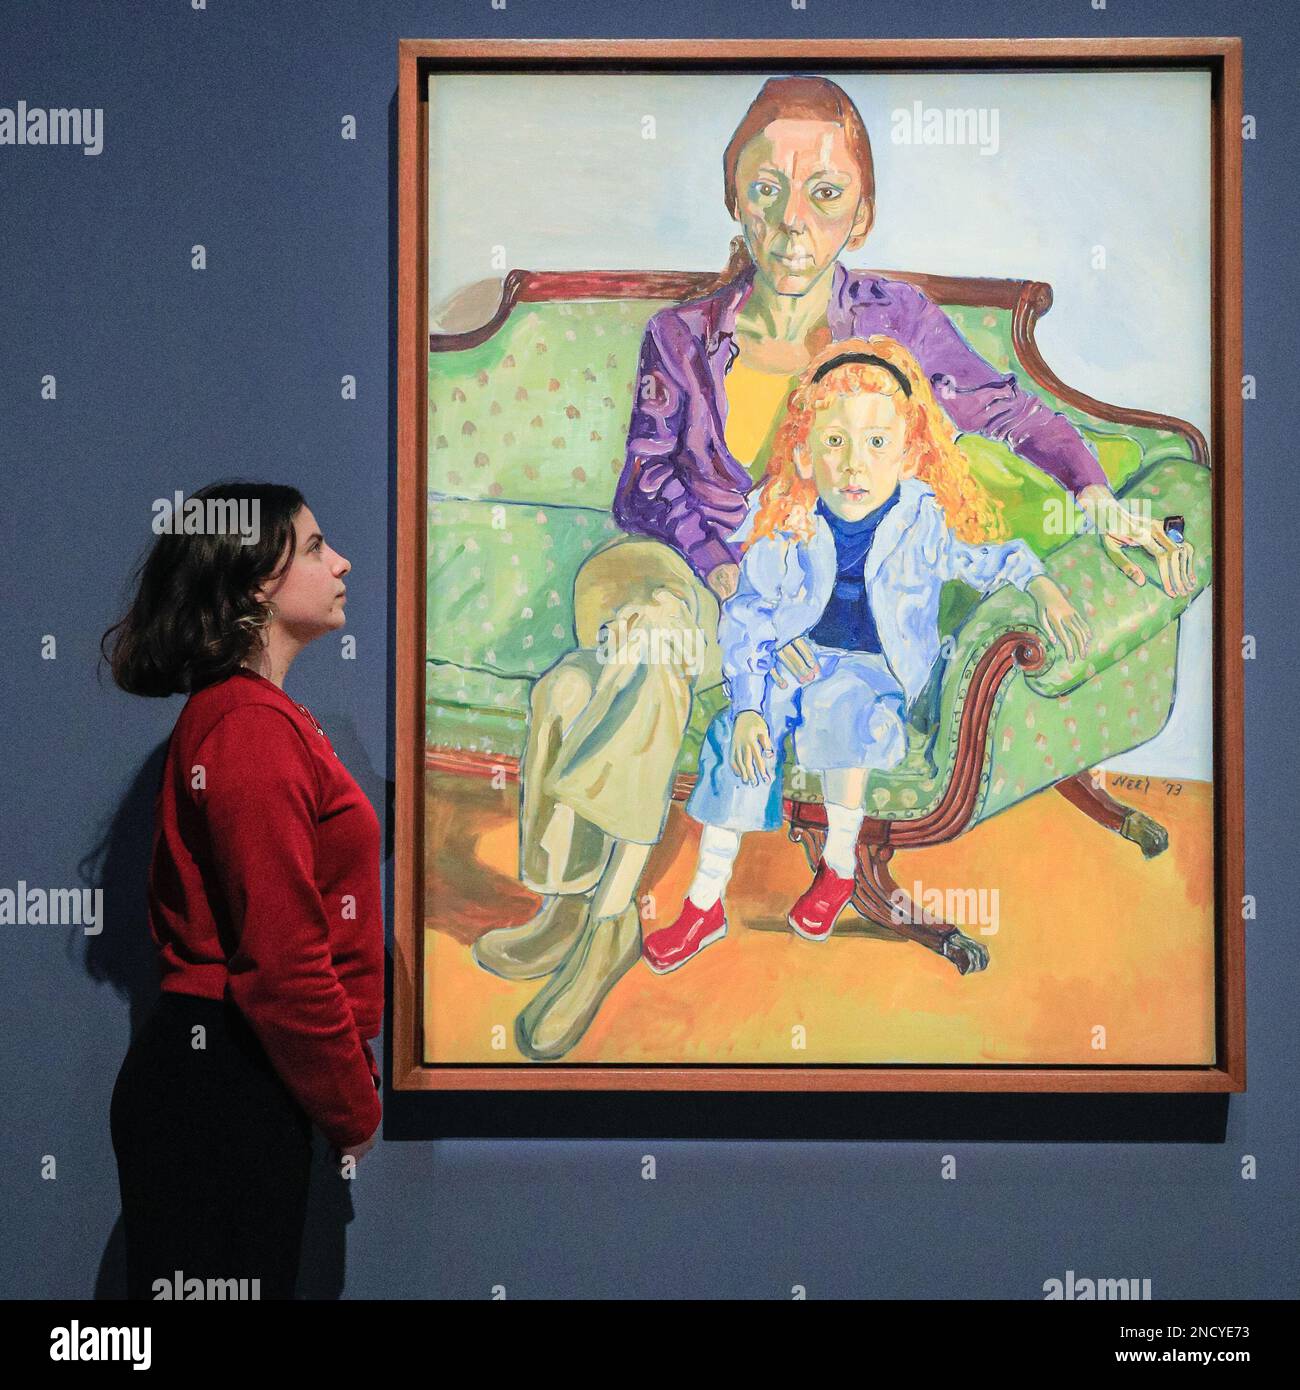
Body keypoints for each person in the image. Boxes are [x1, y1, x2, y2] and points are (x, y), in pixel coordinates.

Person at [475, 73, 1194, 1061]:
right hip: (662, 563)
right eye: (764, 189)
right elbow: (642, 487)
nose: (790, 220)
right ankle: (590, 924)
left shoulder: (892, 320)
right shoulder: (680, 336)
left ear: (862, 211)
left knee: (601, 679)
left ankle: (585, 914)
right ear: (735, 198)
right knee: (652, 626)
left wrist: (1095, 495)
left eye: (822, 192)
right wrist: (723, 574)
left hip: (764, 599)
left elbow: (1006, 409)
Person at [642, 337, 1090, 971]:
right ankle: (704, 903)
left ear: (908, 455)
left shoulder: (923, 522)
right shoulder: (785, 519)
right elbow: (747, 613)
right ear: (802, 453)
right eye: (835, 443)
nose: (855, 465)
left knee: (841, 706)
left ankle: (839, 868)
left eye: (877, 444)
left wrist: (1041, 584)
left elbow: (987, 560)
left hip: (873, 670)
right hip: (788, 658)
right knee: (736, 735)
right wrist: (758, 682)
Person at [104, 481, 382, 1300]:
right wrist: (353, 1106)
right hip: (227, 1087)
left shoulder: (252, 718)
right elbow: (282, 957)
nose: (342, 563)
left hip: (234, 1081)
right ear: (260, 580)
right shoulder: (249, 728)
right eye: (316, 547)